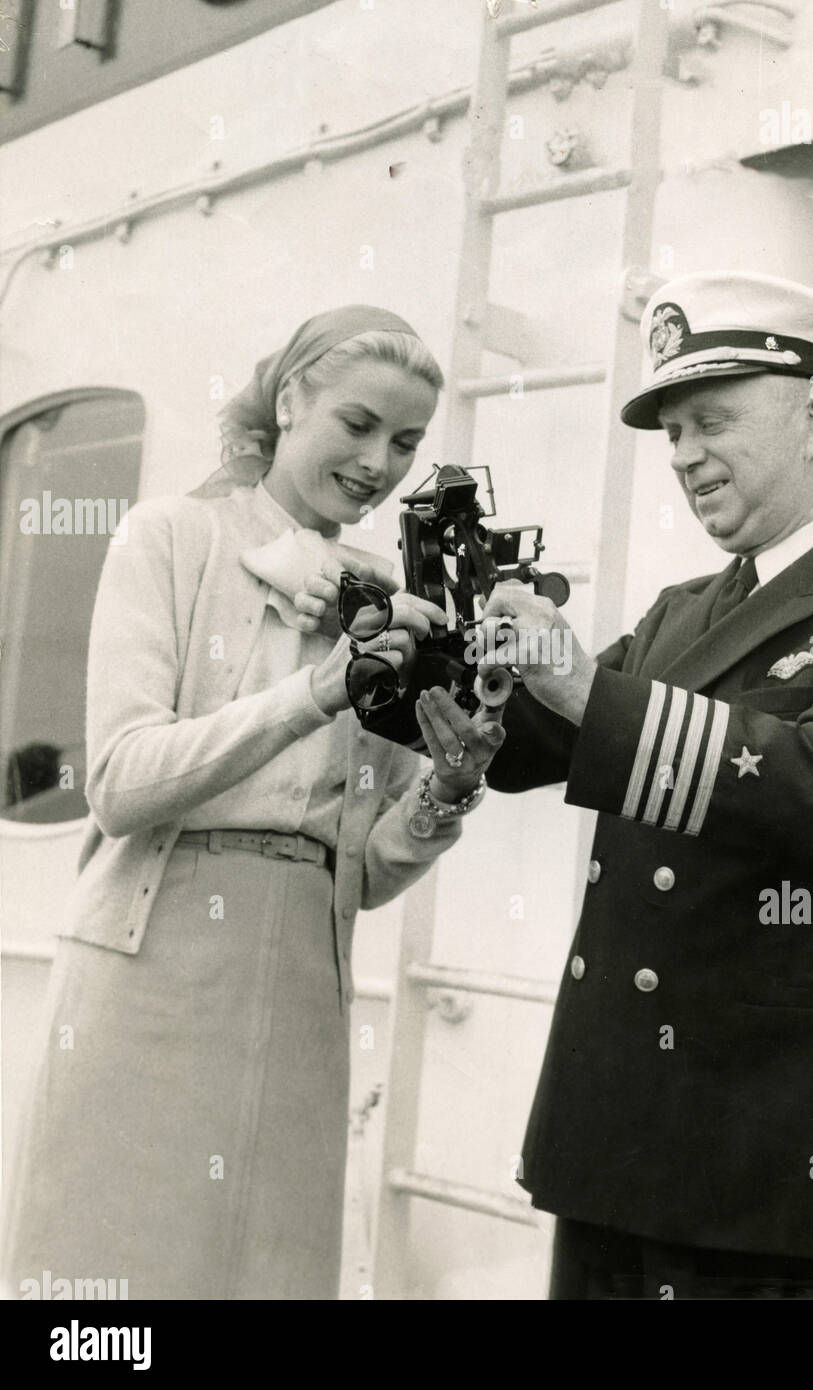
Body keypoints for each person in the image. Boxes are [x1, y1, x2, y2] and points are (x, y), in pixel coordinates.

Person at [472, 271, 813, 1298]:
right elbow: (520, 750)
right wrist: (439, 670)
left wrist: (580, 685)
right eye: (671, 429)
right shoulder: (683, 611)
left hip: (766, 1156)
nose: (682, 455)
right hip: (612, 1139)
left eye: (709, 419)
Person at [1, 305, 504, 1301]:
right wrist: (319, 690)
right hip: (154, 970)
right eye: (356, 424)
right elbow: (122, 779)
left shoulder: (383, 599)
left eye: (404, 442)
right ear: (288, 401)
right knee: (120, 1283)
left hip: (302, 984)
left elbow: (359, 871)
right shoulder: (172, 537)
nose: (377, 462)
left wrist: (447, 792)